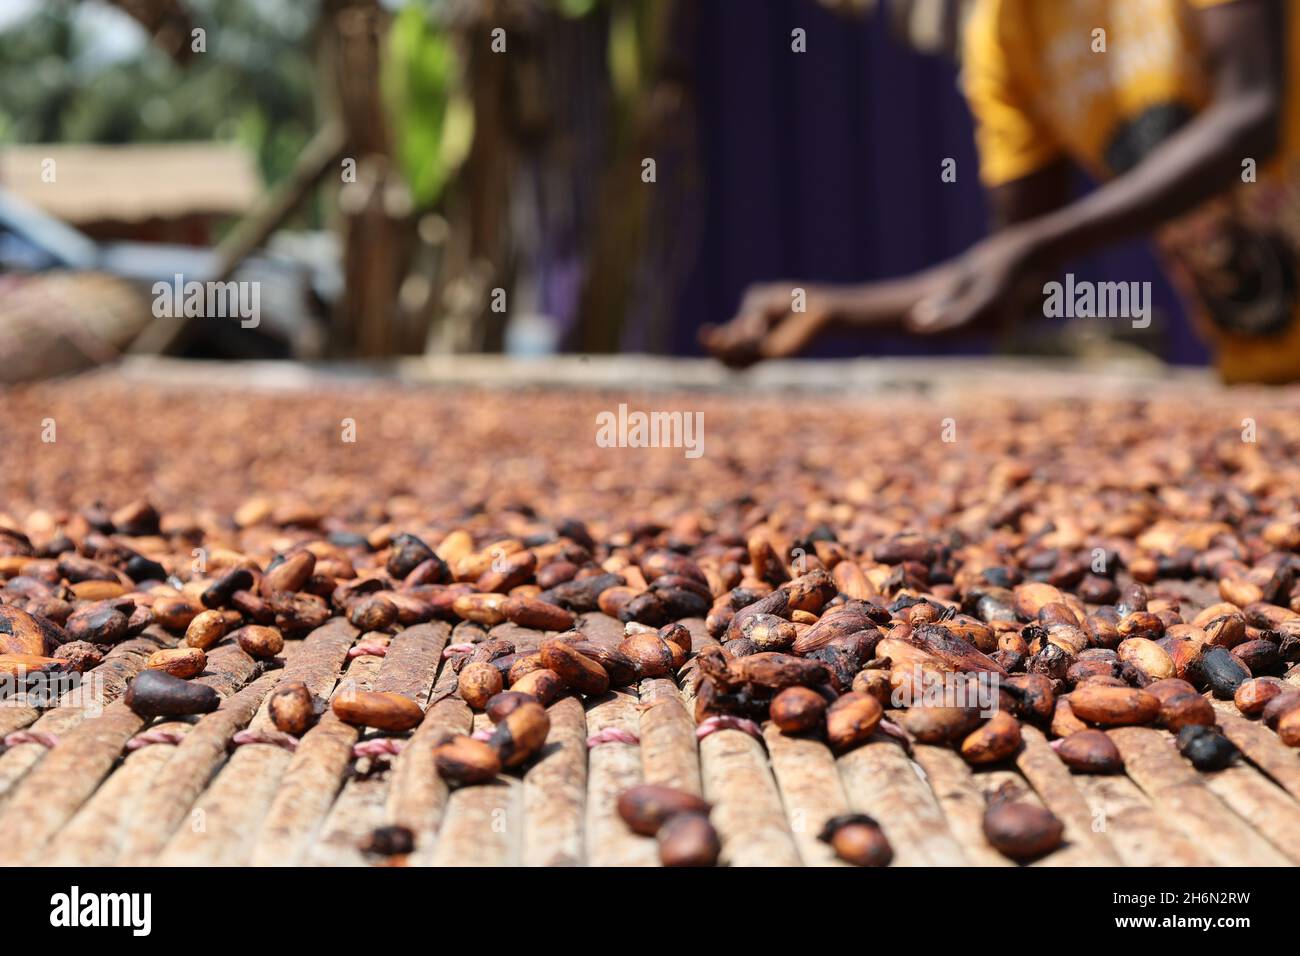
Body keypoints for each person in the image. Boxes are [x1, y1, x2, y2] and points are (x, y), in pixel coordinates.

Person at [702, 0, 1300, 384]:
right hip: (1264, 378)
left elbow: (1250, 113)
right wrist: (827, 308)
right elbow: (1014, 279)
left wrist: (1038, 248)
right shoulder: (1004, 36)